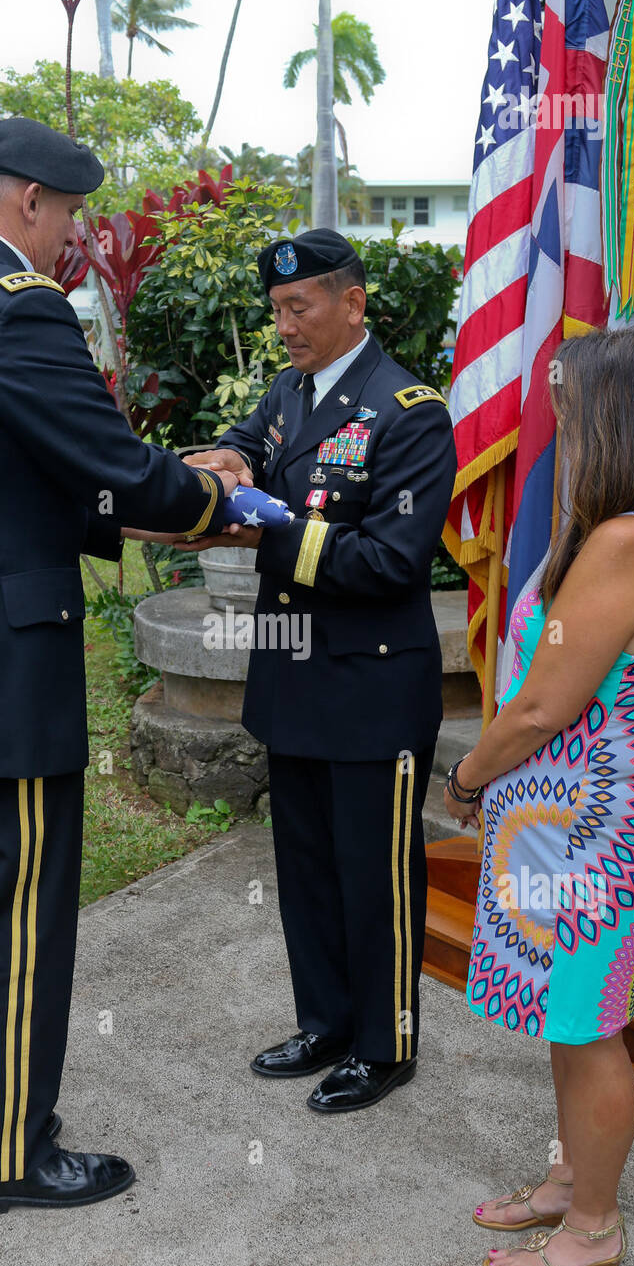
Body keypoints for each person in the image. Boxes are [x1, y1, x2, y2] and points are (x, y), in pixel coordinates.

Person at [0, 117, 239, 1215]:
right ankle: (7, 1160)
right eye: (69, 212)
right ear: (29, 200)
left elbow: (0, 468)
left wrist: (147, 481)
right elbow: (116, 466)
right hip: (2, 661)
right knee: (22, 908)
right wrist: (216, 495)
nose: (73, 235)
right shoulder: (16, 310)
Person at [182, 229, 456, 1112]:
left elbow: (389, 563)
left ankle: (385, 1044)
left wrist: (271, 531)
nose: (287, 326)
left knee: (373, 873)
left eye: (301, 308)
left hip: (372, 688)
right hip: (294, 677)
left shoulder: (408, 410)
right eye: (277, 311)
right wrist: (228, 460)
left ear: (353, 303)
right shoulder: (293, 392)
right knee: (304, 865)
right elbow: (250, 440)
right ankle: (325, 1020)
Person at [443, 329, 634, 1266]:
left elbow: (545, 704)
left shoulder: (630, 542)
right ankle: (566, 1180)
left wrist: (464, 780)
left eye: (572, 412)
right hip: (566, 825)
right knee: (566, 1016)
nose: (560, 430)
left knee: (587, 1024)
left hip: (596, 838)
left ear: (617, 421)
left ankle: (592, 1226)